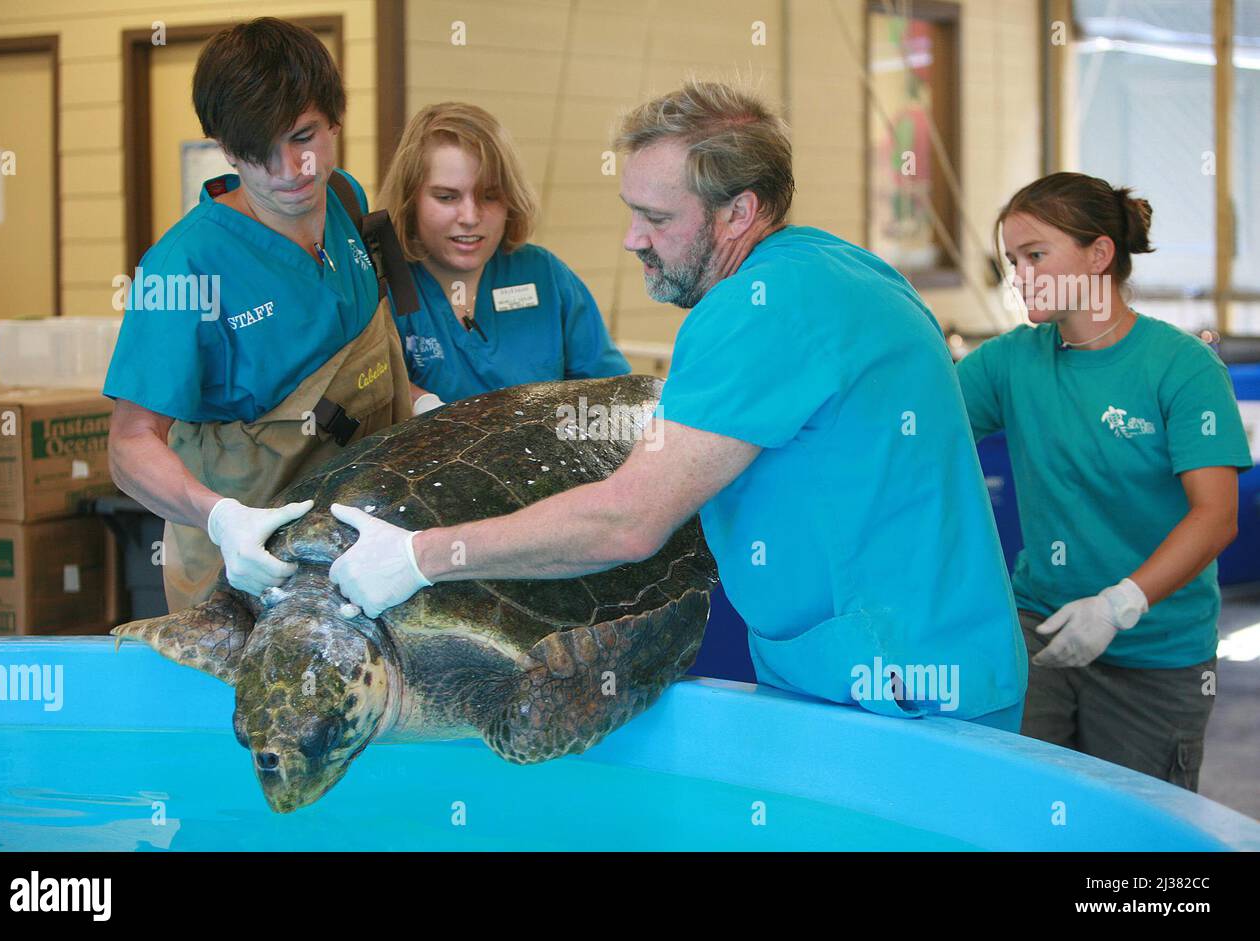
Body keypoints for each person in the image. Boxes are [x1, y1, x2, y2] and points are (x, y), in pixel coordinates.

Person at [326, 81, 1028, 730]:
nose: (633, 238)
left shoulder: (756, 310)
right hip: (916, 662)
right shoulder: (842, 265)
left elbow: (628, 521)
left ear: (738, 213)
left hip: (893, 691)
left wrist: (420, 556)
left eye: (655, 217)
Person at [104, 18, 413, 612]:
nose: (289, 169)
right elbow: (130, 445)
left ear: (335, 120)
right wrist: (218, 518)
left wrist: (422, 402)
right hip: (248, 561)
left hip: (365, 537)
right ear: (225, 147)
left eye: (304, 136)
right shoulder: (181, 268)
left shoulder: (346, 200)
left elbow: (370, 348)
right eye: (257, 151)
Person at [957, 172, 1251, 789]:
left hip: (1156, 652)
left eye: (1036, 255)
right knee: (1016, 811)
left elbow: (1217, 515)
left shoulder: (1182, 367)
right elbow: (913, 421)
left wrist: (1122, 604)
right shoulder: (1013, 361)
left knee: (1135, 855)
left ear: (1099, 254)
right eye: (1012, 259)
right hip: (1040, 630)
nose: (1020, 274)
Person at [373, 102, 628, 413]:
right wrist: (416, 402)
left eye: (489, 196)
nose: (470, 216)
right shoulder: (380, 285)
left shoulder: (543, 275)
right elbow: (369, 391)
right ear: (411, 200)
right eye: (447, 197)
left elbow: (613, 395)